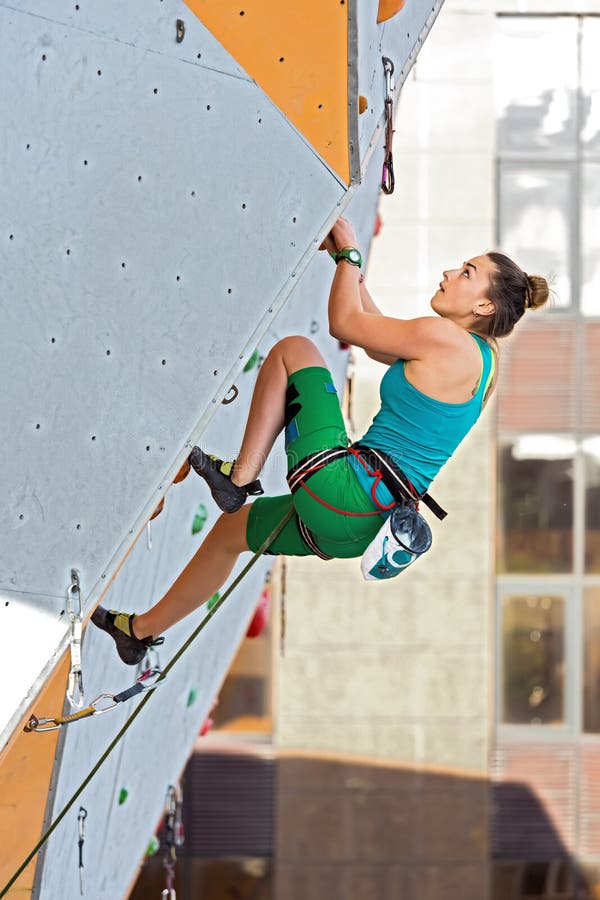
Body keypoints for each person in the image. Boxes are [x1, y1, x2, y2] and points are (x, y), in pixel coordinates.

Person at [92, 217, 549, 664]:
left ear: (484, 306)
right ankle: (138, 633)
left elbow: (345, 325)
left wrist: (350, 252)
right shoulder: (483, 364)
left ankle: (238, 477)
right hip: (361, 527)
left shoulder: (444, 339)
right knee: (231, 534)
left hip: (346, 491)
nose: (450, 273)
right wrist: (345, 266)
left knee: (295, 351)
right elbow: (378, 341)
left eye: (467, 273)